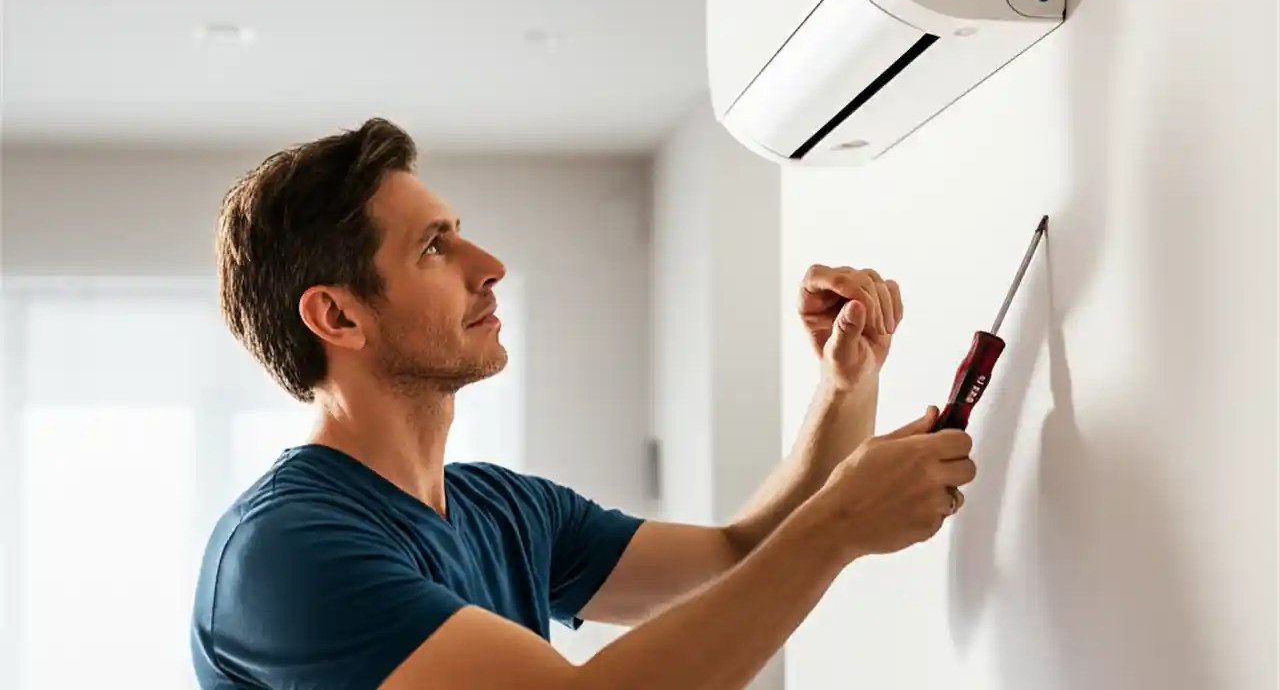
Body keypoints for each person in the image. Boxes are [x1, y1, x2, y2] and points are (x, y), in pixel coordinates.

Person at [190, 118, 976, 690]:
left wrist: (847, 383)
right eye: (433, 247)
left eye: (460, 233)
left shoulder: (502, 509)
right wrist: (838, 526)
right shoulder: (282, 552)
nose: (488, 265)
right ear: (338, 317)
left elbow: (739, 559)